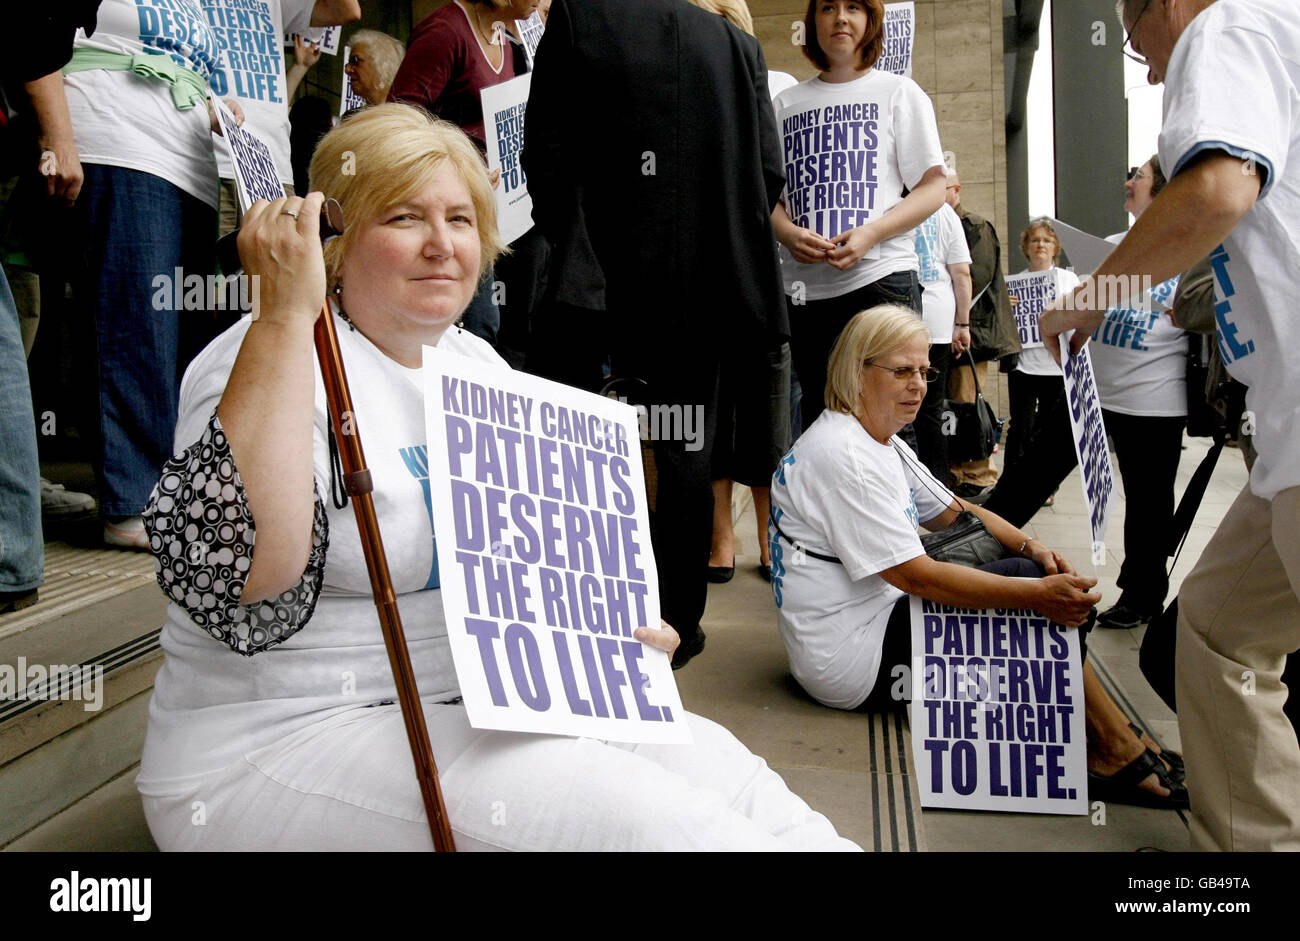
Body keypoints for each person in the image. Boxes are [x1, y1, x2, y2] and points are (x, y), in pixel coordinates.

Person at [134, 104, 856, 852]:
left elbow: (535, 569)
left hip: (466, 712)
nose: (443, 245)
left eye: (460, 218)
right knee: (660, 829)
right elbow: (244, 571)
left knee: (742, 786)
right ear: (333, 243)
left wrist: (608, 644)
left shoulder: (474, 363)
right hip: (277, 742)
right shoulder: (259, 355)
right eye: (405, 217)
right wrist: (283, 315)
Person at [1041, 0, 1300, 851]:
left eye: (1137, 40)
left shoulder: (1224, 26)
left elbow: (1220, 187)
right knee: (1215, 632)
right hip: (1282, 451)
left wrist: (1091, 295)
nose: (1149, 70)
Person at [768, 303, 1186, 808]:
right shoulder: (846, 455)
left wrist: (1037, 549)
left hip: (872, 623)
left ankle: (1114, 737)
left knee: (1033, 576)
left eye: (925, 370)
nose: (919, 385)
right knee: (1032, 598)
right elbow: (919, 578)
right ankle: (1115, 748)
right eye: (902, 371)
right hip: (854, 663)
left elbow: (960, 510)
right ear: (857, 371)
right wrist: (1037, 594)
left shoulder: (875, 438)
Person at [521, 0, 789, 667]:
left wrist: (570, 238)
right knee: (685, 455)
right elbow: (768, 174)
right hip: (699, 290)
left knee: (575, 452)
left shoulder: (581, 20)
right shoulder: (735, 45)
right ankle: (678, 623)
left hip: (596, 287)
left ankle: (582, 615)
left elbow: (544, 156)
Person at [60, 0, 245, 549]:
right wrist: (55, 136)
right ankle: (136, 499)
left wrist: (215, 106)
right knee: (136, 321)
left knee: (191, 330)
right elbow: (37, 39)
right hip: (114, 137)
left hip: (189, 161)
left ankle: (182, 489)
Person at [771, 0, 947, 432]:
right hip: (806, 292)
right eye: (828, 7)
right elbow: (768, 197)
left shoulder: (899, 92)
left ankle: (893, 503)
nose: (841, 17)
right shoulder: (784, 104)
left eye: (854, 6)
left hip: (881, 278)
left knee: (891, 425)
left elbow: (933, 186)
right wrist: (788, 234)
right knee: (819, 421)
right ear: (813, 22)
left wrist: (871, 233)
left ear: (870, 21)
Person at [389, 0, 543, 348]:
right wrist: (460, 164)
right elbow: (397, 121)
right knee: (477, 325)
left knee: (484, 325)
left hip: (479, 207)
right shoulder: (446, 31)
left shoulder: (500, 34)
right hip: (442, 209)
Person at [1087, 156, 1188, 629]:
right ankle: (981, 543)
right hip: (1094, 393)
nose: (1128, 183)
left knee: (1148, 503)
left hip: (1154, 400)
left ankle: (1143, 596)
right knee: (1036, 468)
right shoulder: (1108, 247)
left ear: (1162, 190)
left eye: (1139, 178)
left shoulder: (1190, 248)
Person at [204, 0, 361, 238]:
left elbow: (347, 10)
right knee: (209, 274)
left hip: (272, 172)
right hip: (215, 165)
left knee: (277, 273)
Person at [979, 221, 1079, 523]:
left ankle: (1046, 487)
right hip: (1024, 362)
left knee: (1047, 429)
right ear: (1026, 247)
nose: (1040, 245)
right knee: (1019, 426)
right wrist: (1006, 308)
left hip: (1056, 364)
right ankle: (1009, 482)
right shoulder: (1015, 282)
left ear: (1055, 247)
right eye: (1034, 240)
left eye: (1046, 241)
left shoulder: (1068, 278)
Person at [944, 168, 1019, 498]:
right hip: (953, 330)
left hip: (972, 332)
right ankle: (957, 470)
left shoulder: (973, 226)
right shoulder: (943, 224)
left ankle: (977, 475)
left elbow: (976, 276)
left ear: (956, 190)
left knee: (965, 402)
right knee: (952, 404)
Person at [911, 201, 972, 486]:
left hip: (898, 313)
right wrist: (963, 323)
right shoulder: (945, 212)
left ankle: (908, 479)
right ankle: (936, 481)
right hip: (937, 318)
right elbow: (961, 273)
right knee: (931, 408)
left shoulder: (893, 200)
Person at [342, 28, 406, 107]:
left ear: (383, 65)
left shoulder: (404, 116)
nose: (347, 70)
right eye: (348, 64)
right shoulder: (353, 117)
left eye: (355, 61)